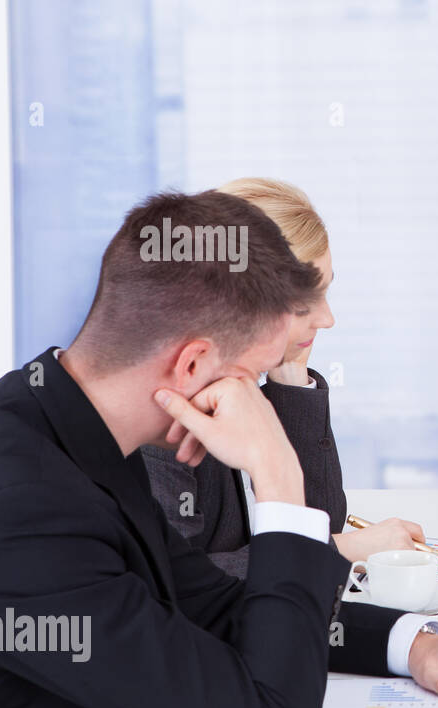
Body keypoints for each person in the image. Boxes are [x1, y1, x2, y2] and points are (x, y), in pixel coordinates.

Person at [0, 189, 438, 708]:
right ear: (192, 367)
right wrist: (277, 473)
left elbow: (214, 609)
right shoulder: (23, 511)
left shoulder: (70, 421)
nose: (257, 404)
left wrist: (413, 645)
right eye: (253, 375)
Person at [140, 178, 423, 574]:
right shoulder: (158, 407)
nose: (328, 319)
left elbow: (318, 520)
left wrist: (290, 375)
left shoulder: (224, 383)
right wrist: (339, 551)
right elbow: (178, 584)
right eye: (306, 301)